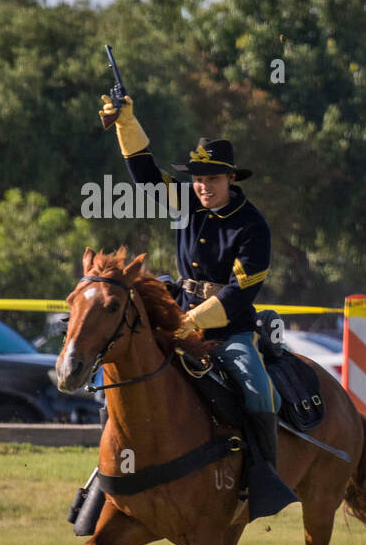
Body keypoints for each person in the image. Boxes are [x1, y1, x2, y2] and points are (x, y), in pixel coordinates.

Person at [95, 93, 297, 521]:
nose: (203, 186)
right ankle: (104, 481)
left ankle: (262, 479)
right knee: (121, 376)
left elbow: (240, 293)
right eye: (198, 178)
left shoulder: (252, 225)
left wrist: (189, 322)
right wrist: (125, 123)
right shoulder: (186, 203)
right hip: (177, 322)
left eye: (212, 178)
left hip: (229, 332)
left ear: (230, 179)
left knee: (259, 391)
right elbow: (146, 175)